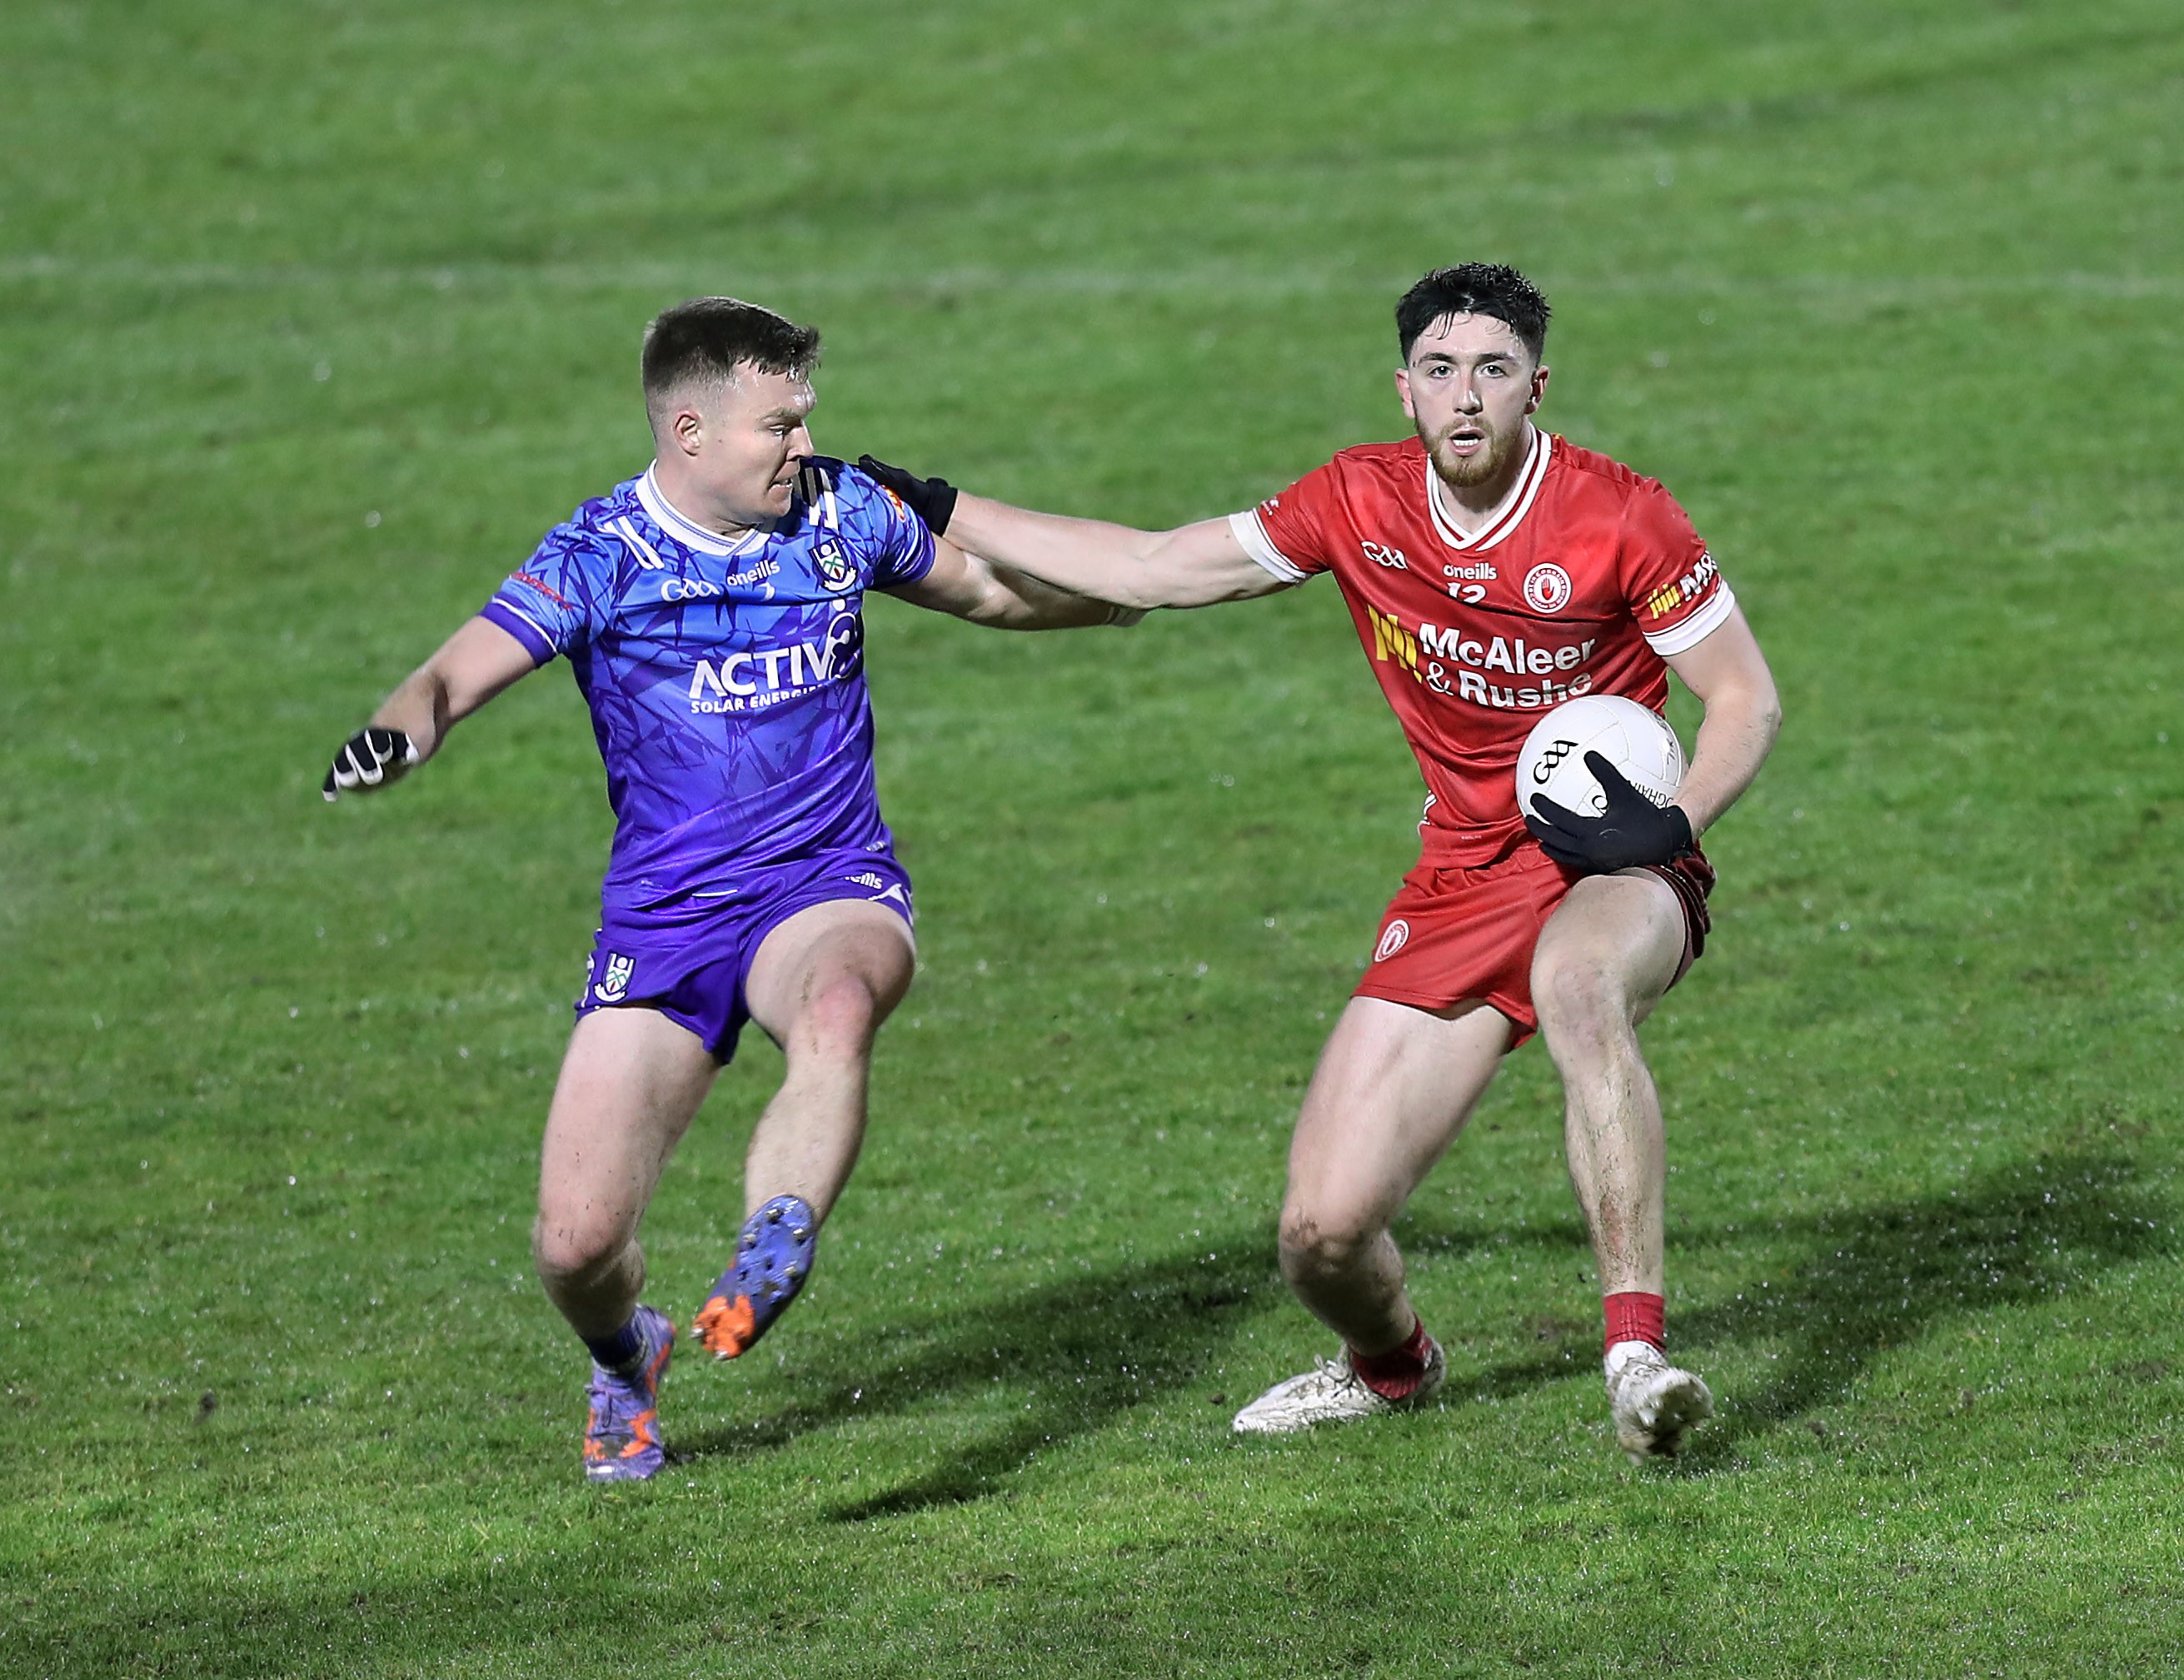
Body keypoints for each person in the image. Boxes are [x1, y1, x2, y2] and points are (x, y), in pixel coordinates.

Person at [858, 263, 1781, 1461]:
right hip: (1462, 874)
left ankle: (1635, 1357)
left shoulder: (1620, 515)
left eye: (1492, 370)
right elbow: (1152, 568)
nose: (1465, 396)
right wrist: (937, 504)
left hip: (1613, 861)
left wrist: (1673, 825)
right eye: (1440, 370)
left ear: (1536, 386)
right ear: (1404, 389)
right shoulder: (1356, 499)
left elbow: (1743, 698)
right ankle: (1392, 1368)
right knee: (1320, 1235)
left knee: (1578, 985)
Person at [322, 297, 1127, 1481]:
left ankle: (774, 1237)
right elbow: (446, 679)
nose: (806, 444)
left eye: (804, 417)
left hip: (826, 880)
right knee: (575, 1245)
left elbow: (988, 590)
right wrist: (395, 736)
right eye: (779, 426)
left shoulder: (840, 512)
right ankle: (625, 1354)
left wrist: (1122, 596)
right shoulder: (598, 557)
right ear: (688, 431)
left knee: (838, 1006)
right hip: (668, 919)